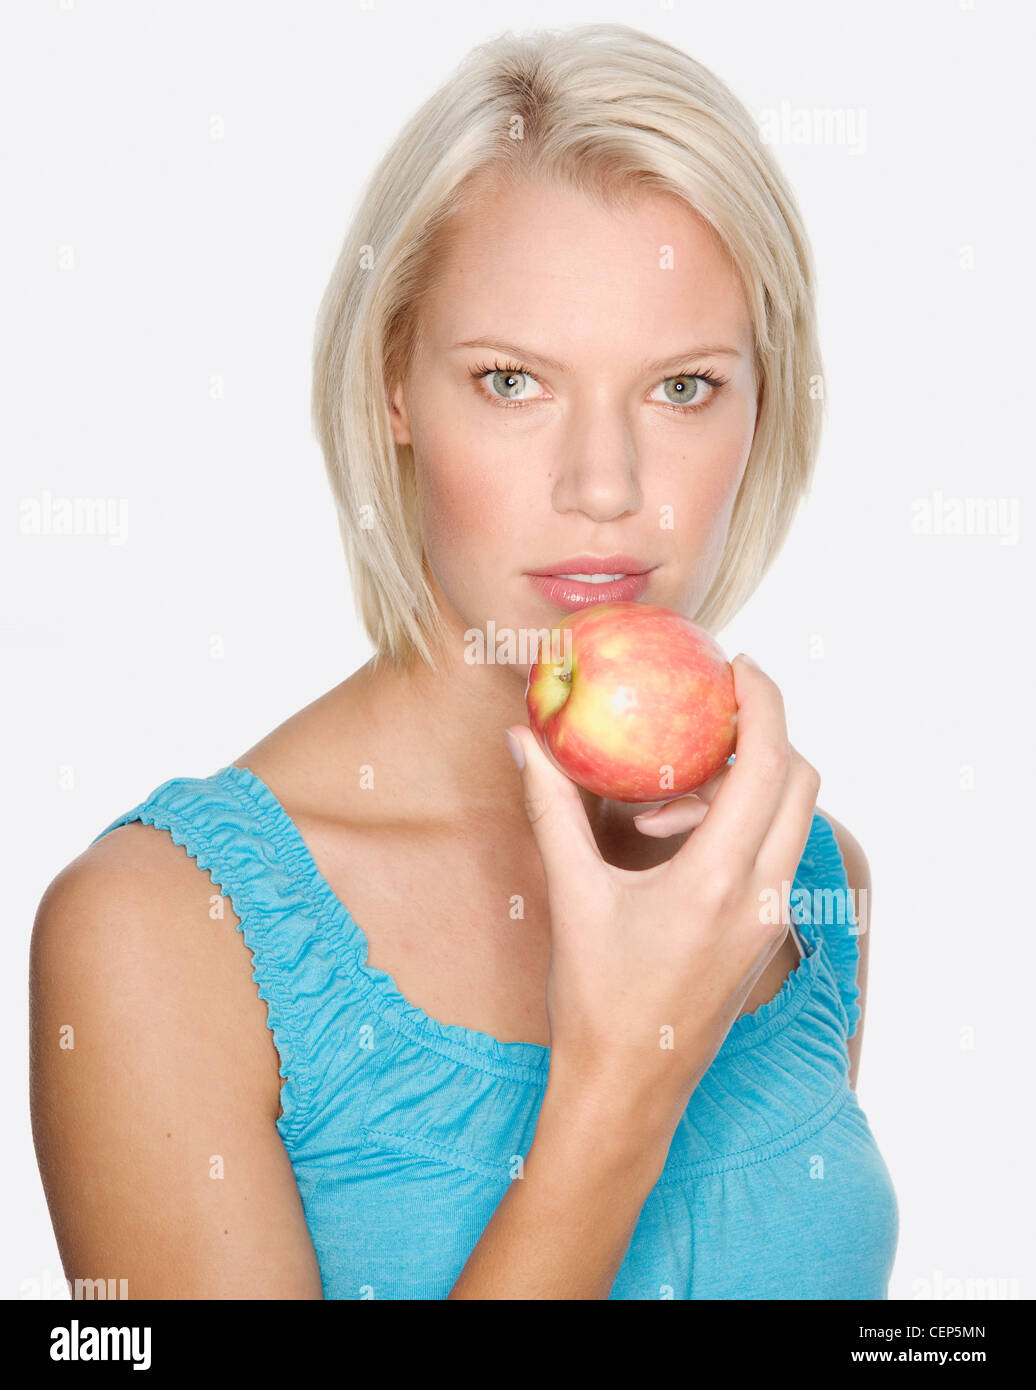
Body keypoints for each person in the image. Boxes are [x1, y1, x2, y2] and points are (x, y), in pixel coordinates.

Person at [29, 22, 898, 1299]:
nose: (605, 486)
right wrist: (618, 1086)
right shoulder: (160, 934)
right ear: (393, 386)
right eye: (509, 380)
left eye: (684, 388)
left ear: (765, 398)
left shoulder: (802, 879)